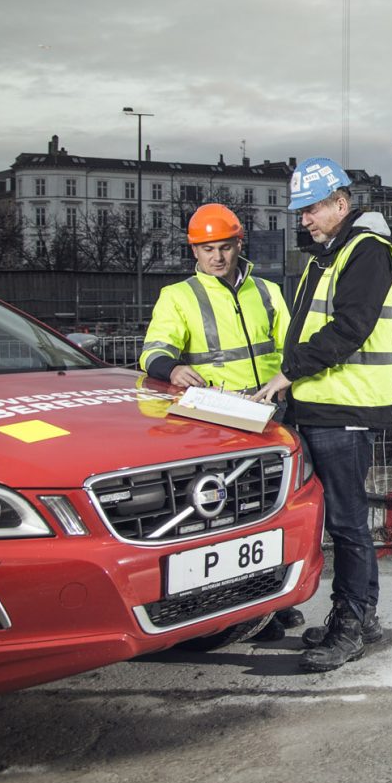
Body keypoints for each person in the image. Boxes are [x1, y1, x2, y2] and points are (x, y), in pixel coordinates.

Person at [254, 157, 392, 672]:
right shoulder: (330, 254)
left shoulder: (366, 252)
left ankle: (349, 625)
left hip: (347, 405)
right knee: (341, 519)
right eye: (300, 212)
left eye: (312, 209)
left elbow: (350, 327)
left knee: (345, 522)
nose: (304, 220)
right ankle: (365, 616)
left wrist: (287, 373)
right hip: (325, 404)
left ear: (342, 202)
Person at [139, 201, 302, 639]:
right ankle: (239, 606)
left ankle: (274, 600)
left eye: (224, 247)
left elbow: (291, 348)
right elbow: (153, 350)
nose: (216, 256)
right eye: (206, 248)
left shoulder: (267, 292)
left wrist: (285, 382)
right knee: (228, 520)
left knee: (271, 516)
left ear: (238, 245)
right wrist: (170, 369)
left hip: (271, 418)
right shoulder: (179, 296)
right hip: (217, 427)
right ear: (194, 250)